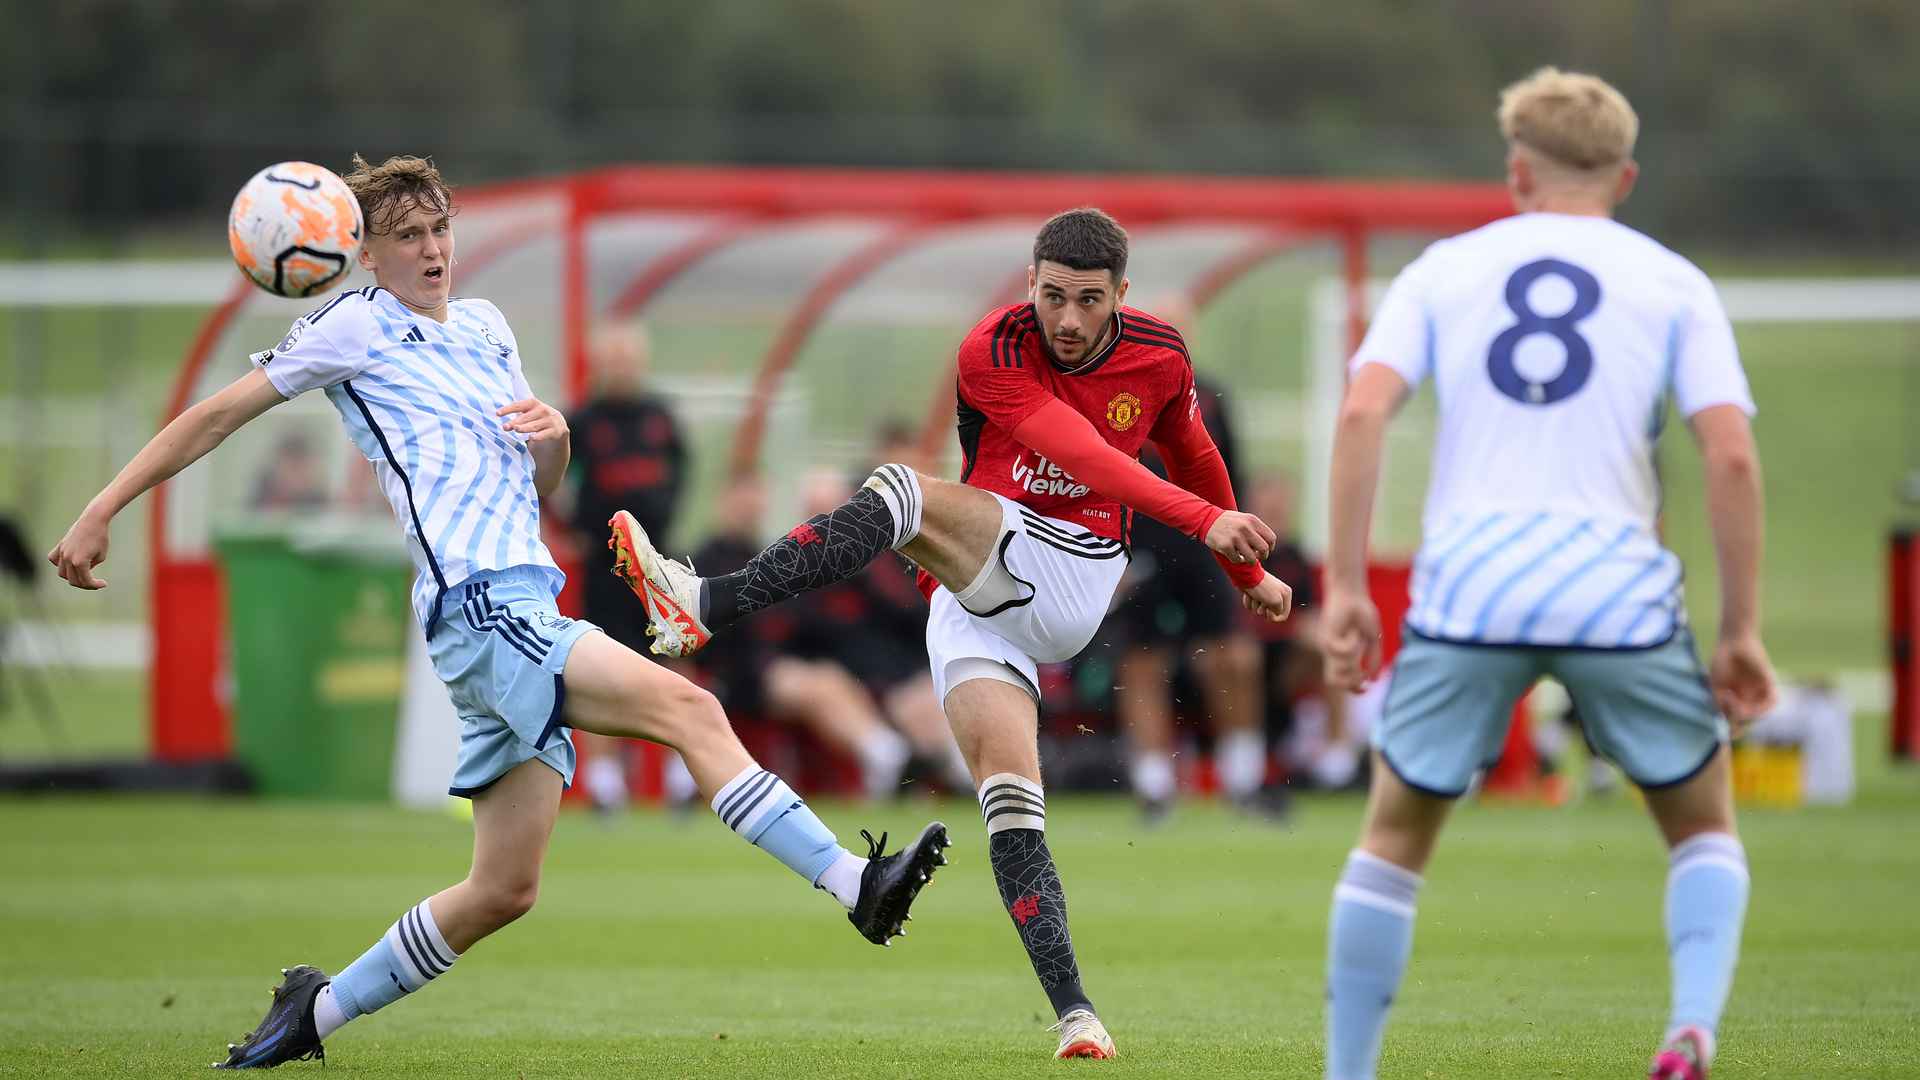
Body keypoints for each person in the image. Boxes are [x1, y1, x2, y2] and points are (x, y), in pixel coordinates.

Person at [46, 154, 950, 1070]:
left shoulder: (485, 327)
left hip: (521, 601)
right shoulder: (352, 327)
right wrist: (102, 507)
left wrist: (555, 441)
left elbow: (541, 483)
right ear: (363, 252)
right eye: (409, 236)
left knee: (501, 889)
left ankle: (307, 1017)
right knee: (694, 708)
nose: (434, 250)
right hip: (481, 610)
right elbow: (217, 415)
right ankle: (856, 884)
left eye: (440, 229)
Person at [610, 207, 1294, 1060]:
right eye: (1053, 296)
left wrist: (1246, 568)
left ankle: (704, 603)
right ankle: (1078, 1015)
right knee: (1011, 806)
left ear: (1122, 293)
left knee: (902, 490)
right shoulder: (992, 350)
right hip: (979, 598)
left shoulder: (1158, 354)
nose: (1069, 319)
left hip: (1074, 566)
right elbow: (1077, 449)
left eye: (1089, 299)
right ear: (1029, 281)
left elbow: (1189, 454)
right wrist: (1212, 526)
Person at [1315, 69, 1775, 1080]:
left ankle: (1348, 1074)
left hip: (1472, 586)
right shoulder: (1672, 281)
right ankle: (1690, 1027)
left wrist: (1346, 589)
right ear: (1627, 177)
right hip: (1617, 589)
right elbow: (1731, 457)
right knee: (1703, 827)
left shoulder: (1445, 269)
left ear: (1517, 170)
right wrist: (1741, 630)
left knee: (1391, 840)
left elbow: (1360, 415)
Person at [1110, 363, 1283, 823]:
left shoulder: (1209, 396)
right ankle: (1154, 788)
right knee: (1143, 662)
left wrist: (1244, 557)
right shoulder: (1111, 388)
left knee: (1232, 657)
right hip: (1138, 545)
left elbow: (1230, 474)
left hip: (1205, 544)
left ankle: (1244, 779)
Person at [564, 319, 689, 811]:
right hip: (604, 564)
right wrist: (570, 526)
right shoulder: (583, 420)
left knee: (675, 652)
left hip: (656, 560)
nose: (622, 368)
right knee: (605, 664)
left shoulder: (660, 417)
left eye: (628, 359)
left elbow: (681, 470)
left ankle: (682, 773)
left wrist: (665, 516)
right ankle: (605, 781)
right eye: (613, 359)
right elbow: (553, 478)